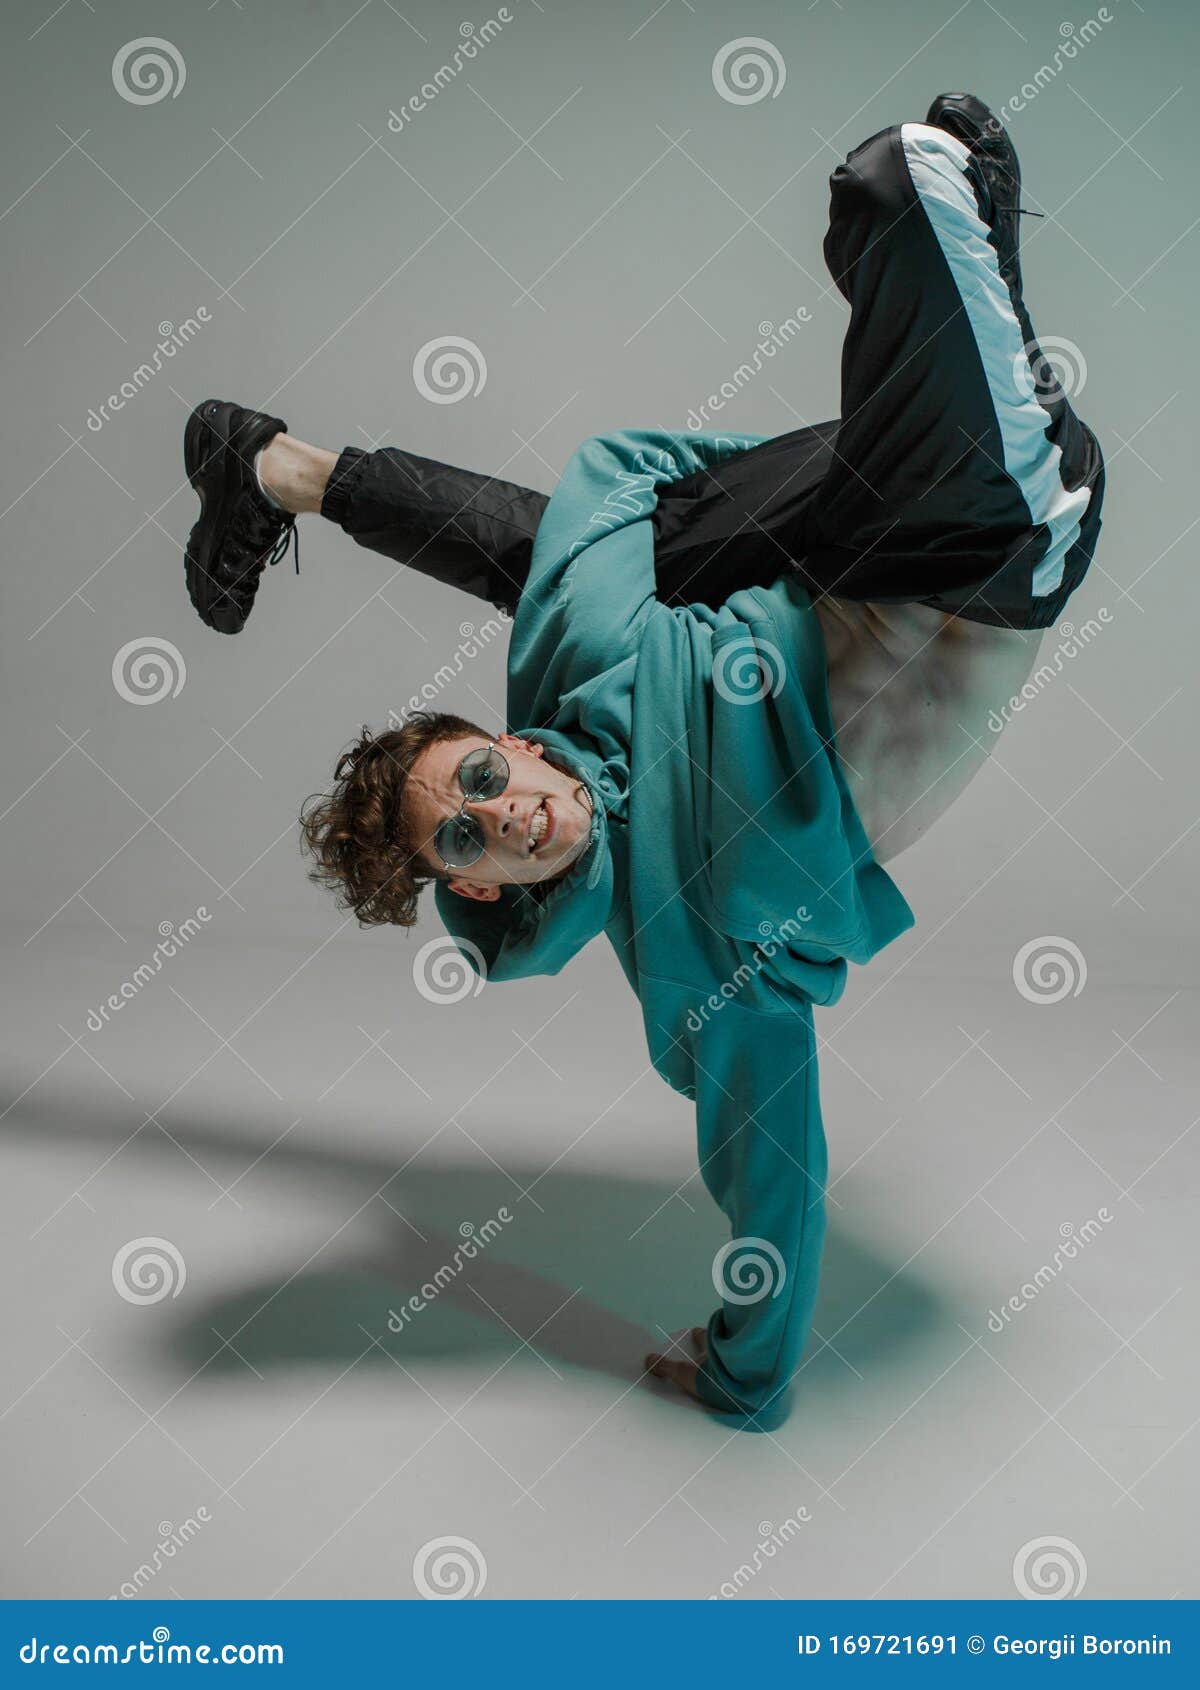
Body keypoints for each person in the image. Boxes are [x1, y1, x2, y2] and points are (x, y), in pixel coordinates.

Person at [176, 94, 1106, 1430]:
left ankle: (275, 466)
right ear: (479, 889)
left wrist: (802, 480)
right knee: (923, 228)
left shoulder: (575, 662)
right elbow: (770, 1158)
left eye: (483, 783)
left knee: (868, 206)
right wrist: (743, 1367)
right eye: (471, 843)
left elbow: (582, 508)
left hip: (843, 529)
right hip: (976, 572)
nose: (510, 818)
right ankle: (974, 315)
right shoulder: (691, 953)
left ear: (502, 743)